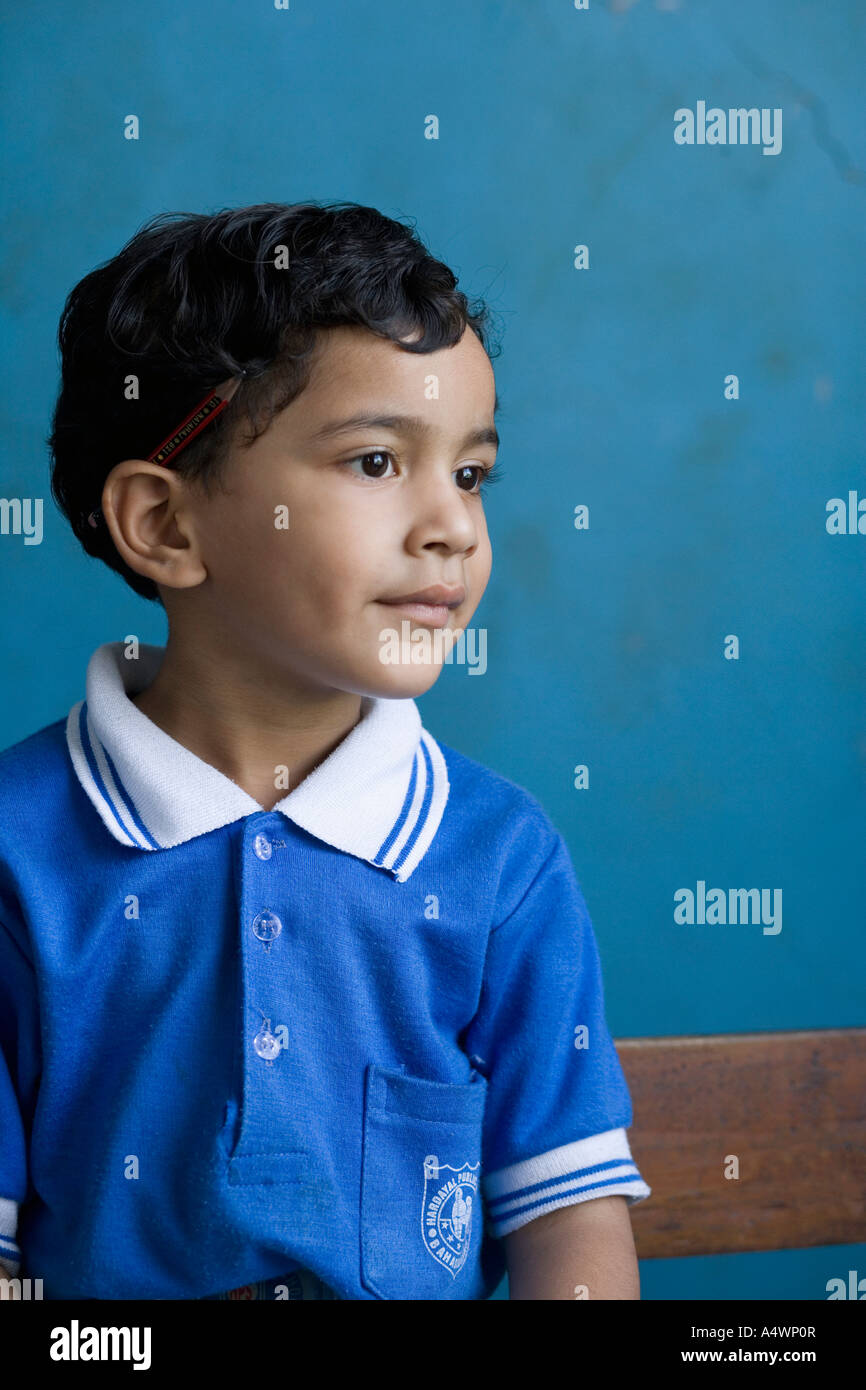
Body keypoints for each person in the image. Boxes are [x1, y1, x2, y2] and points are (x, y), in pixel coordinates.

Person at [0, 201, 650, 1301]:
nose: (451, 523)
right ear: (166, 525)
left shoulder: (500, 859)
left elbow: (564, 1222)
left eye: (471, 473)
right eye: (376, 460)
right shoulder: (19, 852)